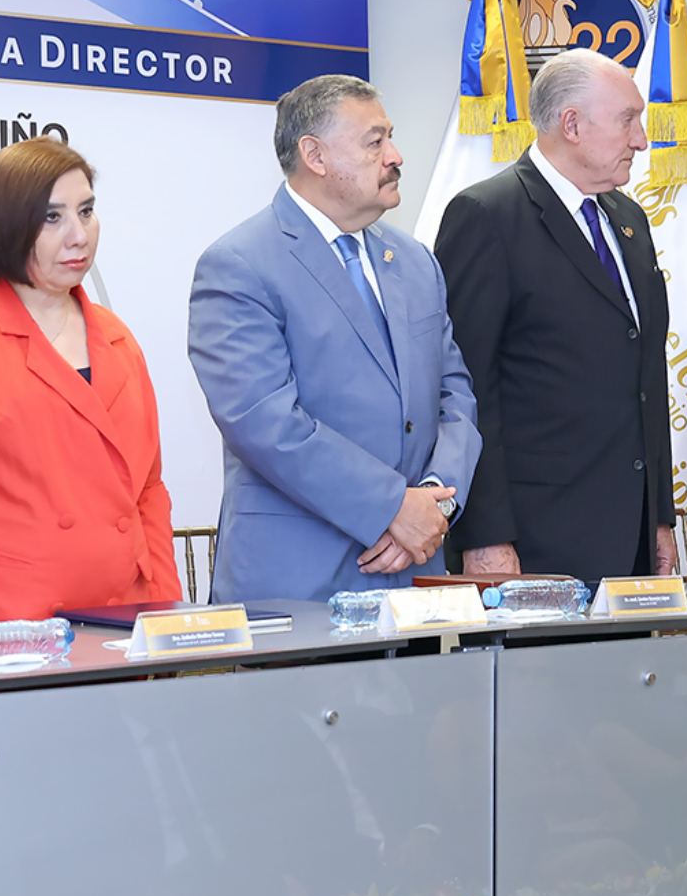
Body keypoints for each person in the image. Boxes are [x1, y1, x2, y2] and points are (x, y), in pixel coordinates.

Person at [189, 75, 480, 602]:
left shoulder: (415, 262)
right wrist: (393, 507)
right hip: (297, 584)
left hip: (414, 576)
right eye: (375, 142)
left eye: (390, 137)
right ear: (315, 156)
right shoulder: (238, 265)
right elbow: (265, 422)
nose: (395, 155)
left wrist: (434, 500)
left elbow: (455, 396)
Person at [0, 138, 181, 627]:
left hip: (120, 627)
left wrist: (166, 615)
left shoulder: (118, 340)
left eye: (86, 211)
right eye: (52, 218)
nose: (79, 235)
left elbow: (148, 493)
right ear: (8, 225)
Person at [434, 49, 677, 583]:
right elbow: (468, 388)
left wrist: (659, 517)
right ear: (572, 124)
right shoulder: (487, 216)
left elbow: (646, 379)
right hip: (533, 542)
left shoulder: (629, 219)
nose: (641, 139)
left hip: (630, 537)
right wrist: (484, 534)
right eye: (628, 120)